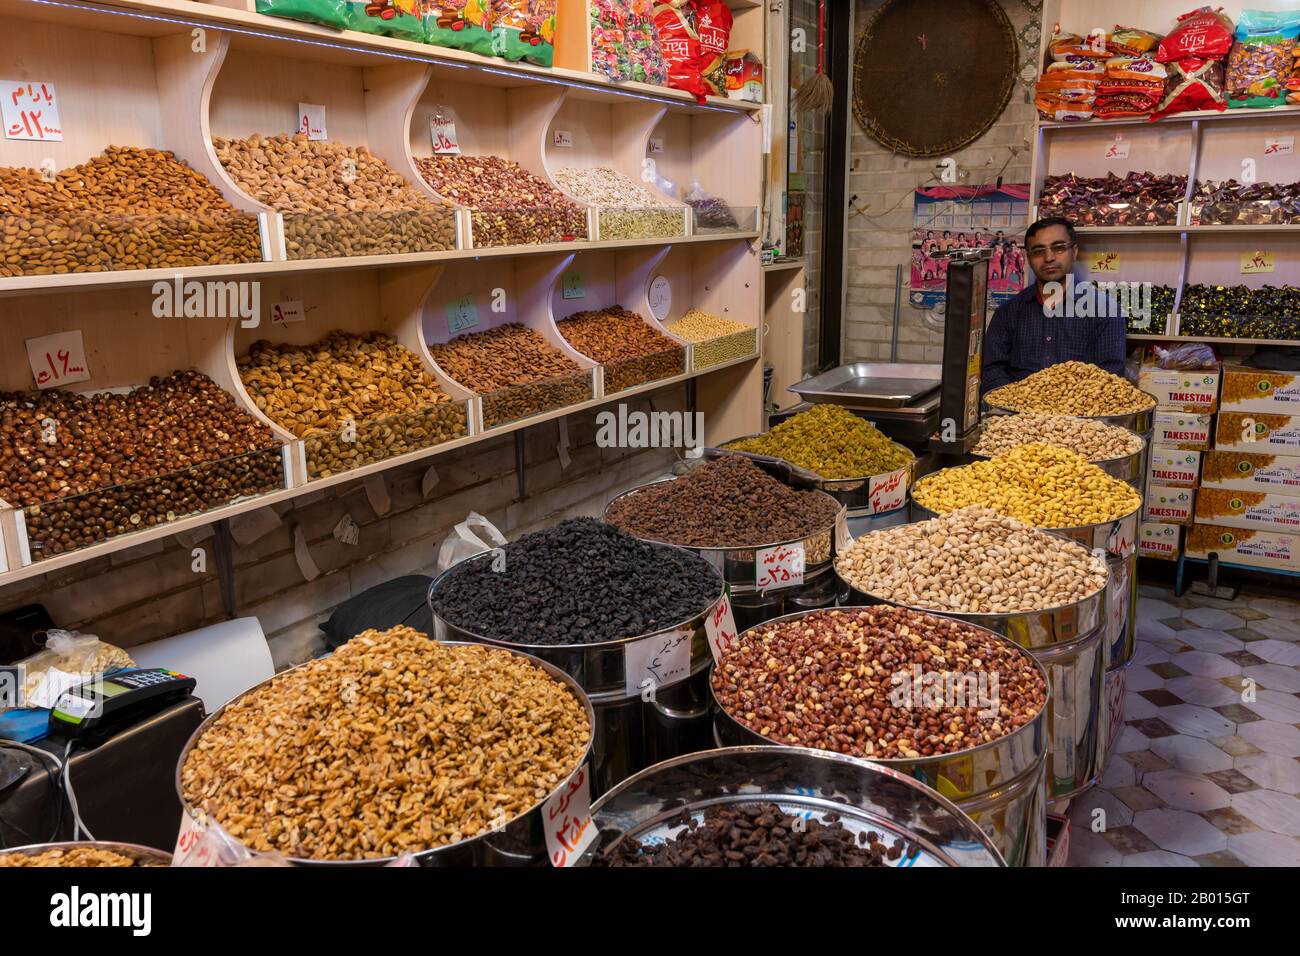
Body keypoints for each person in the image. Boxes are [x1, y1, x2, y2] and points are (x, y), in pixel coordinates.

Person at [981, 217, 1126, 392]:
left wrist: (1064, 408)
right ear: (1029, 258)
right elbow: (992, 370)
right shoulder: (1007, 313)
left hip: (1080, 416)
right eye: (1038, 251)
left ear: (1074, 252)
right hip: (1016, 415)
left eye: (1058, 248)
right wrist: (1018, 404)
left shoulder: (1105, 311)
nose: (1049, 258)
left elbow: (1110, 377)